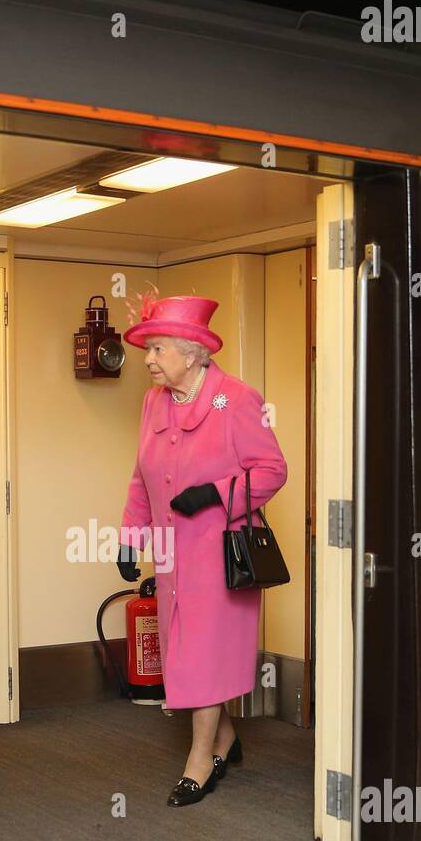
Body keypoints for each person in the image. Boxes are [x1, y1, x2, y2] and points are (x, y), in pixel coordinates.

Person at [117, 294, 287, 806]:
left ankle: (201, 761)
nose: (148, 359)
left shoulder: (233, 399)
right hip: (172, 554)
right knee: (183, 651)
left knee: (203, 652)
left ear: (193, 354)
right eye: (149, 348)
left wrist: (214, 493)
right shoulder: (154, 402)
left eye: (158, 348)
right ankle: (227, 737)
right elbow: (140, 476)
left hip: (219, 551)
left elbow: (273, 470)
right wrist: (131, 536)